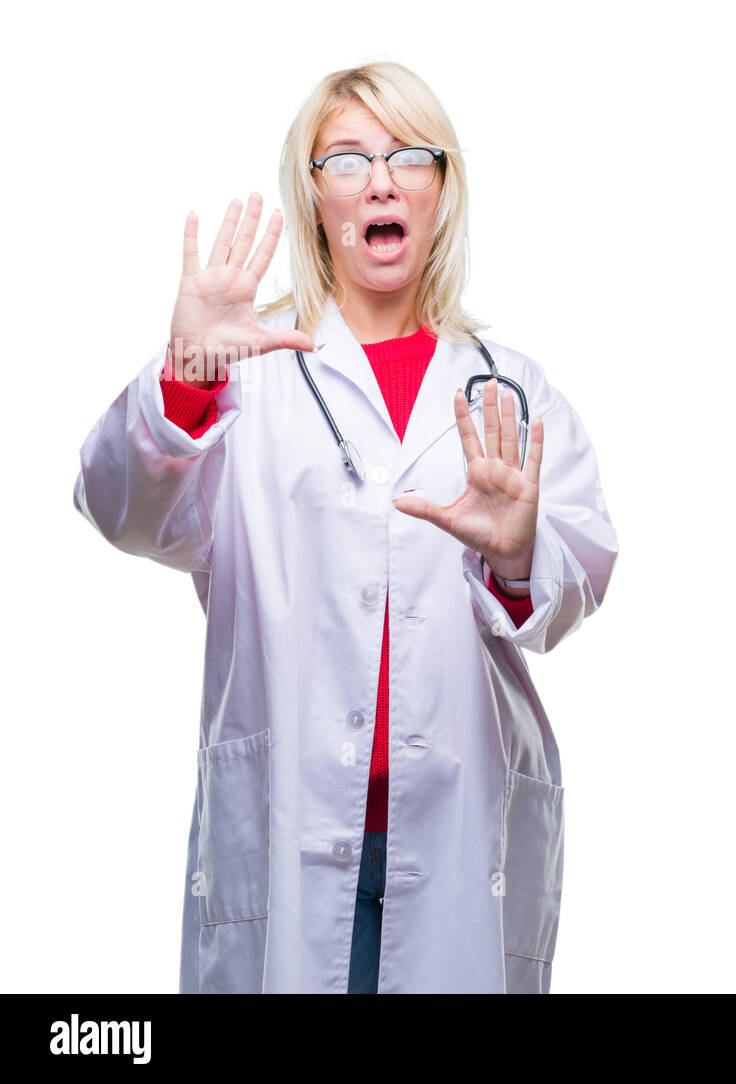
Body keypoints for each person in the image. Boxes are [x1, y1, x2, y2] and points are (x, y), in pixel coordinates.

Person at [73, 61, 617, 993]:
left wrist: (520, 553)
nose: (381, 179)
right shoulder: (243, 374)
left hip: (455, 827)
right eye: (347, 159)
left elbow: (578, 581)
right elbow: (122, 507)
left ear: (442, 191)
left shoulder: (514, 387)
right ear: (314, 196)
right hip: (289, 823)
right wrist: (184, 380)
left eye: (410, 154)